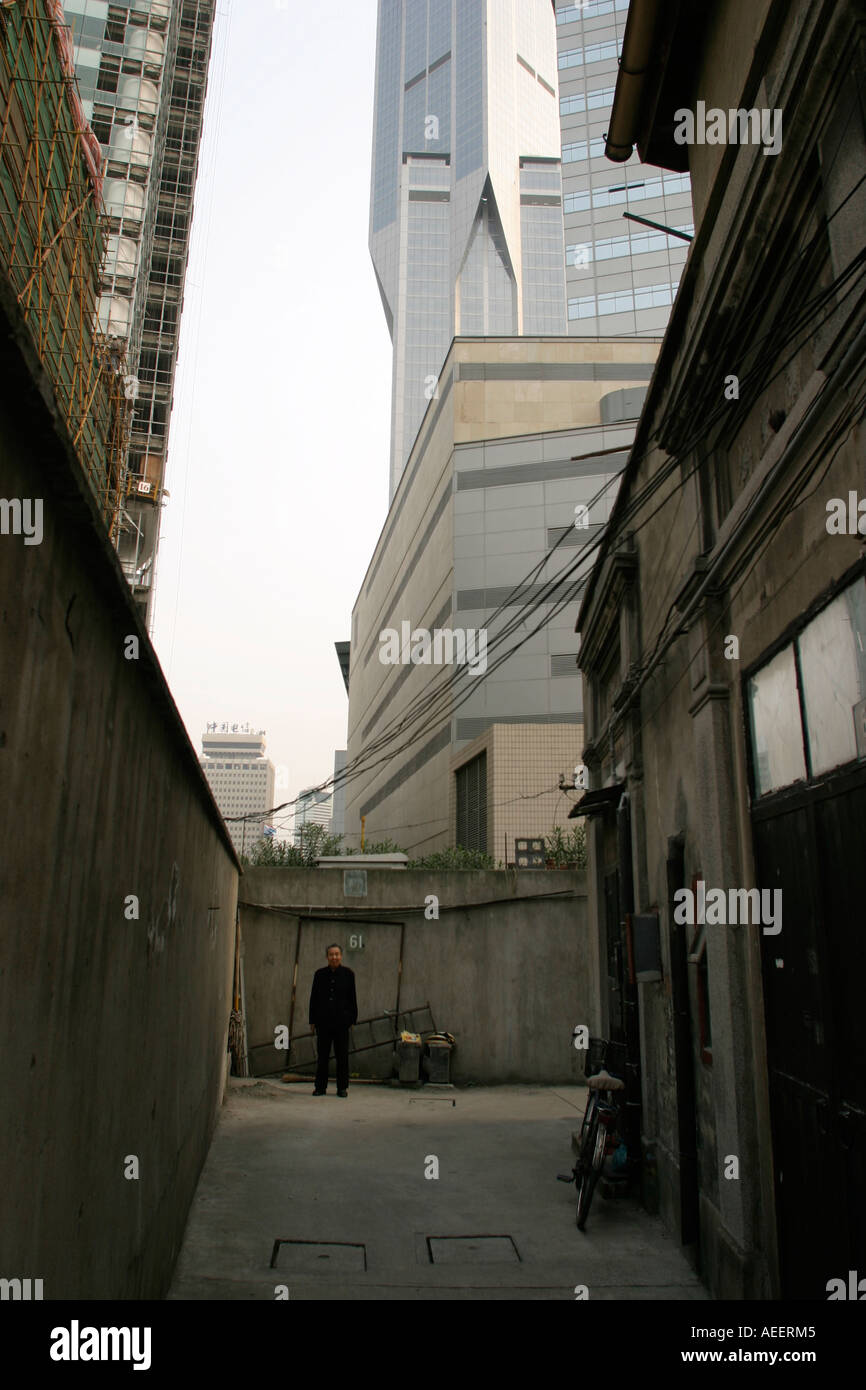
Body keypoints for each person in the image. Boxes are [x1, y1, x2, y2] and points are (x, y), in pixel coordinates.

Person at [308, 944, 358, 1097]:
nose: (334, 957)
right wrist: (312, 1020)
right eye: (331, 954)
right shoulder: (319, 974)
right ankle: (320, 1087)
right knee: (322, 1056)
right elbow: (314, 999)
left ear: (341, 956)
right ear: (327, 957)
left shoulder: (348, 974)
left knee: (342, 1056)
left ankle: (342, 1088)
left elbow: (352, 999)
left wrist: (352, 1019)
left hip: (342, 1022)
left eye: (337, 954)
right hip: (323, 1022)